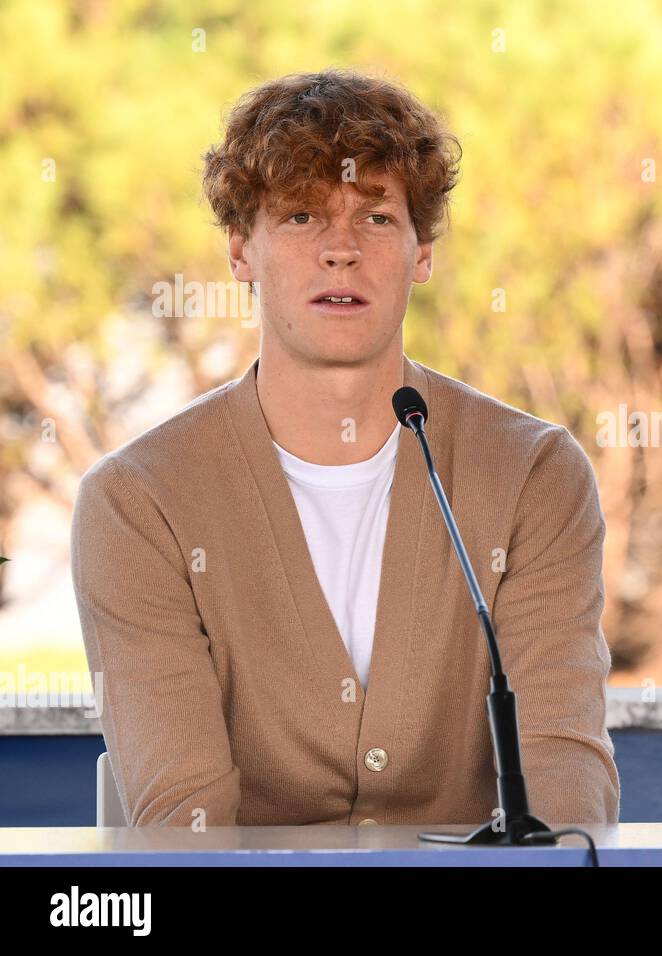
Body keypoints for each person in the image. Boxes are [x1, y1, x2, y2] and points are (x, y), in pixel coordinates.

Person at [70, 69, 620, 827]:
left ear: (421, 252)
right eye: (300, 217)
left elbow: (563, 777)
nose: (340, 251)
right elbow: (183, 818)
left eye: (376, 219)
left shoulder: (535, 475)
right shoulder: (136, 503)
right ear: (240, 251)